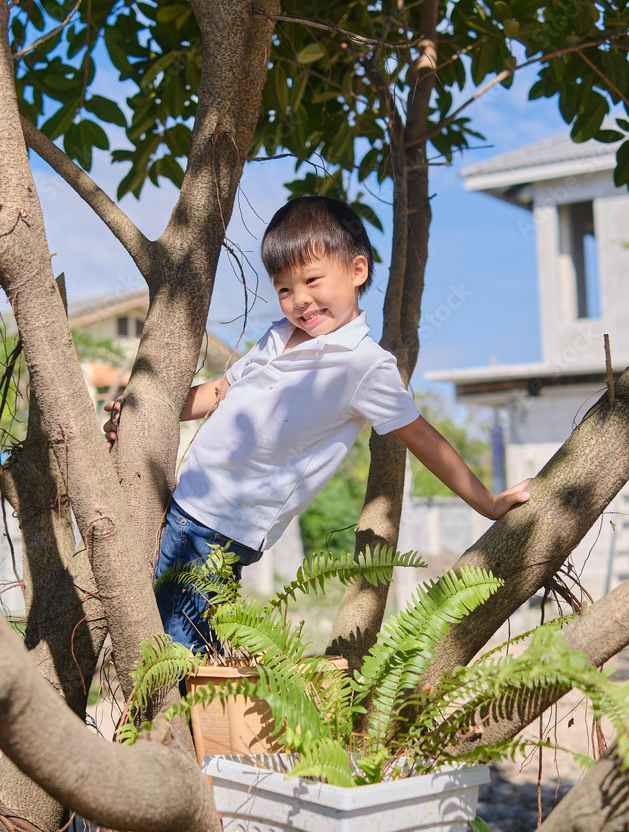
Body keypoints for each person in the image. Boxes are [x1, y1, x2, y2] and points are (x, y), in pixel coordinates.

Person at [104, 196, 531, 654]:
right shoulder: (276, 336)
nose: (299, 300)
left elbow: (423, 438)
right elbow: (218, 391)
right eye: (284, 288)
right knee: (156, 634)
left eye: (311, 280)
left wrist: (487, 501)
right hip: (180, 502)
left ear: (357, 271)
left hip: (219, 527)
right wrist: (139, 415)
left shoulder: (364, 365)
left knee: (176, 652)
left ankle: (177, 726)